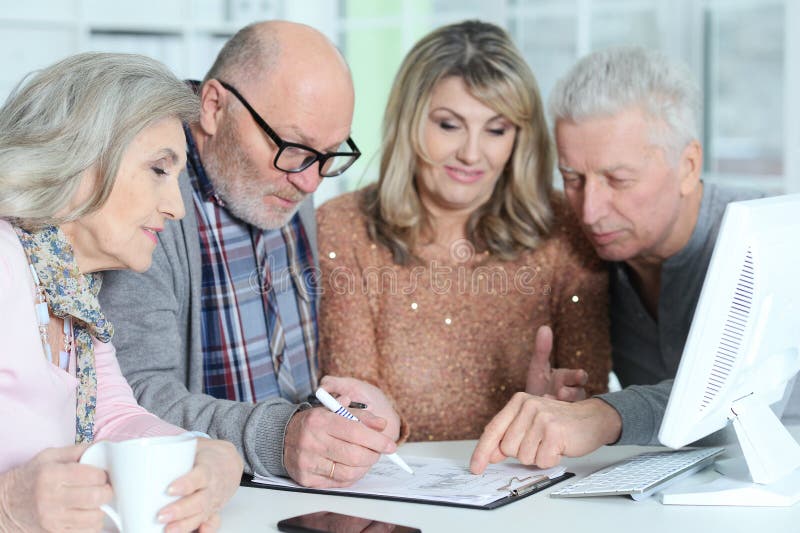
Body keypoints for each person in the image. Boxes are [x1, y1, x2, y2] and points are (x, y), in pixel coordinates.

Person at [99, 21, 401, 488]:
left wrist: (346, 420)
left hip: (296, 495)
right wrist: (276, 438)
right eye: (293, 148)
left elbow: (290, 386)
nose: (310, 182)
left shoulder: (289, 178)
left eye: (329, 155)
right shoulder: (148, 195)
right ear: (215, 107)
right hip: (202, 496)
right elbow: (128, 397)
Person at [470, 46, 800, 474]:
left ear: (687, 166)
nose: (590, 211)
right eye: (572, 179)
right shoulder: (585, 255)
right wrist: (563, 403)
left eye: (618, 180)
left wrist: (607, 414)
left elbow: (748, 410)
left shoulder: (771, 238)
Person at [316, 20, 611, 443]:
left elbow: (594, 400)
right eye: (449, 125)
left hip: (529, 485)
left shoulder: (565, 228)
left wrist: (558, 412)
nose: (472, 154)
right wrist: (381, 421)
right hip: (393, 486)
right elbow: (354, 405)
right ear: (410, 121)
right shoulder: (344, 227)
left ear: (519, 139)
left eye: (496, 129)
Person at [0, 53, 242, 532]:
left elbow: (114, 419)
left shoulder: (70, 290)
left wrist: (212, 458)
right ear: (79, 155)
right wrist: (7, 504)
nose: (177, 208)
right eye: (158, 169)